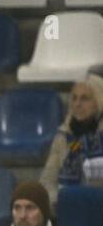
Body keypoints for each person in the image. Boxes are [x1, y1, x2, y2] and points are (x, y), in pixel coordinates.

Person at [39, 74, 103, 205]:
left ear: (99, 102)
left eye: (85, 98)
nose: (77, 104)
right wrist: (62, 199)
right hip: (68, 208)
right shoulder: (62, 136)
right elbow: (47, 180)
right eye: (74, 98)